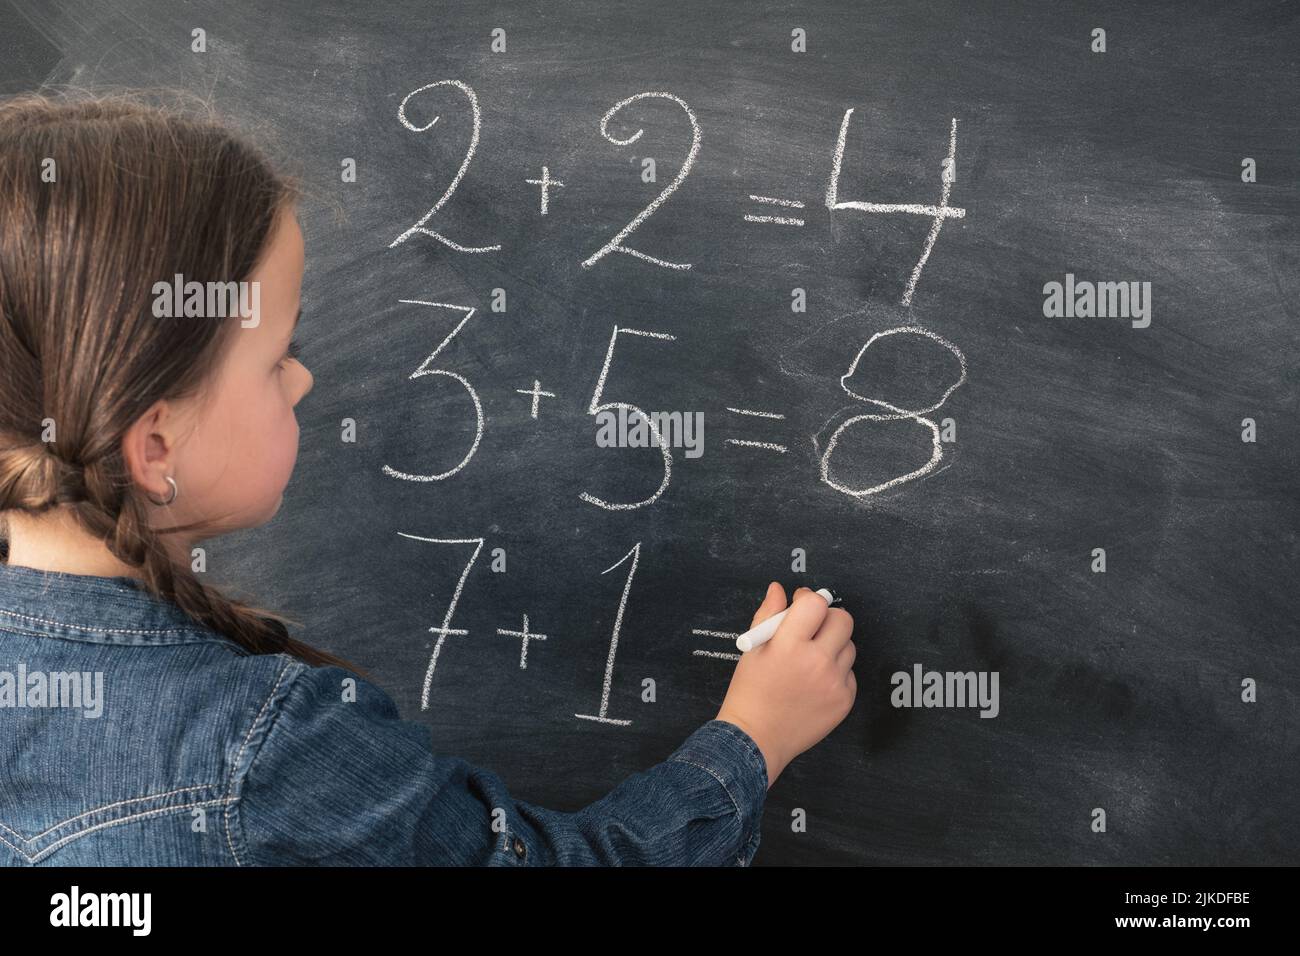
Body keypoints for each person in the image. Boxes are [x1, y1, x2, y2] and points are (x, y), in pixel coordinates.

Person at [0, 90, 856, 866]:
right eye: (277, 359)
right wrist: (754, 739)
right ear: (156, 450)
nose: (303, 380)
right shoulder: (269, 752)